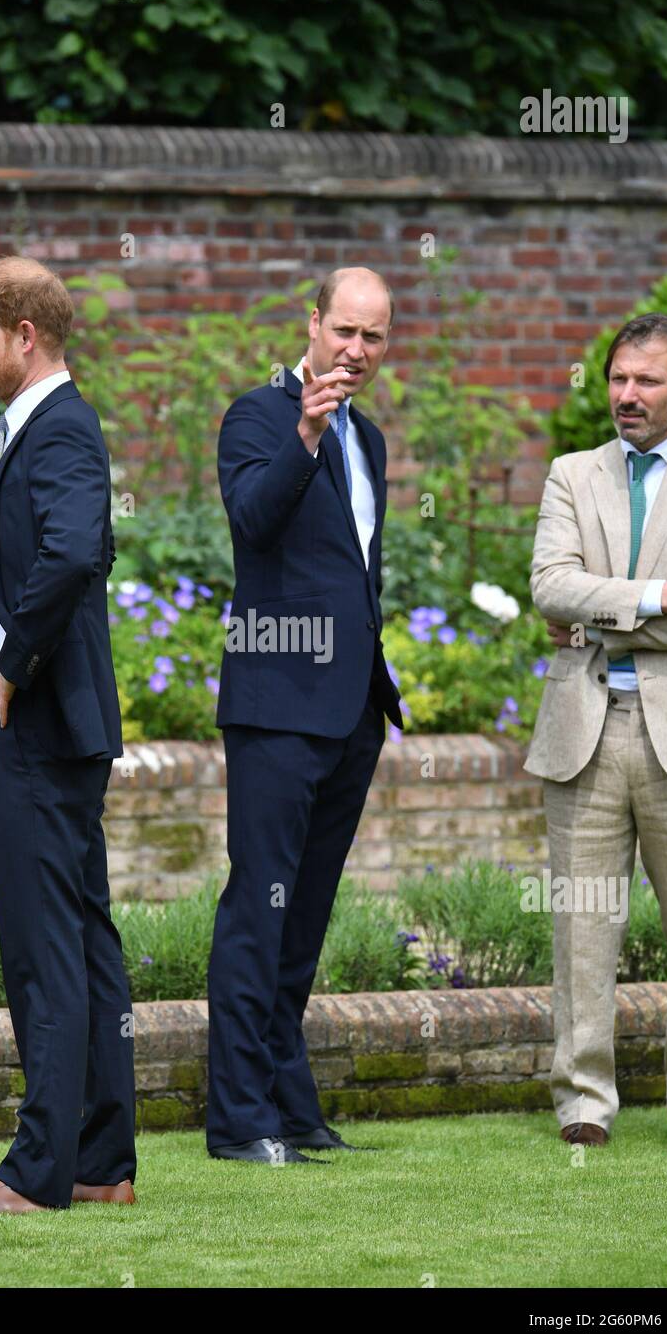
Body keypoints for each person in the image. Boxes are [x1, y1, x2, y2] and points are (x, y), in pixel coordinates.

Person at [0, 256, 136, 1213]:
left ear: (24, 337)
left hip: (36, 716)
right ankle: (98, 1167)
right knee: (81, 940)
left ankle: (37, 1175)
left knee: (42, 948)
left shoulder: (56, 428)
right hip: (49, 716)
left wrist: (14, 664)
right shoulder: (47, 425)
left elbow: (73, 551)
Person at [207, 267, 404, 1164]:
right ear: (312, 321)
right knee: (260, 905)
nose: (355, 351)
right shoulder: (259, 414)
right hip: (277, 705)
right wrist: (307, 432)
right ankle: (238, 1118)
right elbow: (253, 521)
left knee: (306, 912)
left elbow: (354, 571)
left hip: (352, 709)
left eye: (373, 337)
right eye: (343, 332)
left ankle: (289, 1104)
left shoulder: (372, 440)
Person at [525, 312, 667, 1148]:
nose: (626, 396)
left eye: (646, 381)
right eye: (617, 380)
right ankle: (584, 1103)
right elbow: (550, 589)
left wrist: (606, 612)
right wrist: (664, 598)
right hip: (583, 732)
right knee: (582, 929)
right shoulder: (572, 474)